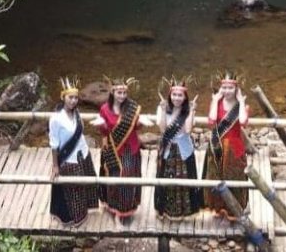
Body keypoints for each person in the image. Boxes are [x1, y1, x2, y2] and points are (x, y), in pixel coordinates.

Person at [91, 77, 148, 218]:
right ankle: (113, 208)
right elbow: (104, 132)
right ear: (112, 92)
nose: (122, 96)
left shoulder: (132, 108)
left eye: (124, 93)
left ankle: (125, 209)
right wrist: (101, 126)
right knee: (113, 177)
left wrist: (141, 123)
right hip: (112, 148)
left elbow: (135, 127)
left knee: (127, 177)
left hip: (130, 148)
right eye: (119, 93)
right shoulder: (104, 109)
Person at [48, 79, 98, 226]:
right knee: (74, 187)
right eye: (71, 97)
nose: (73, 101)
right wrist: (55, 165)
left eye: (76, 98)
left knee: (87, 181)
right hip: (68, 158)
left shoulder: (76, 113)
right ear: (63, 97)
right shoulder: (56, 119)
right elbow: (54, 144)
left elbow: (80, 133)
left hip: (83, 153)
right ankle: (76, 217)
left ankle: (87, 209)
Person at [202, 73, 251, 216]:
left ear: (236, 89)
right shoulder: (216, 103)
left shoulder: (241, 106)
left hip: (235, 145)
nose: (227, 90)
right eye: (224, 87)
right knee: (215, 176)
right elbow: (211, 120)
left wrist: (241, 102)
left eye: (230, 87)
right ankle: (218, 208)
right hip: (217, 143)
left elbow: (242, 121)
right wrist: (215, 100)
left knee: (235, 176)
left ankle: (235, 209)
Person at [154, 79, 203, 218]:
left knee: (185, 177)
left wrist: (192, 110)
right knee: (166, 177)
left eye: (180, 95)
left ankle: (185, 211)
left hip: (184, 149)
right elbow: (163, 129)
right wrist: (163, 110)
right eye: (174, 94)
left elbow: (187, 130)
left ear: (185, 97)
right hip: (168, 149)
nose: (176, 98)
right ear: (170, 95)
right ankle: (166, 211)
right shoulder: (162, 108)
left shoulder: (188, 110)